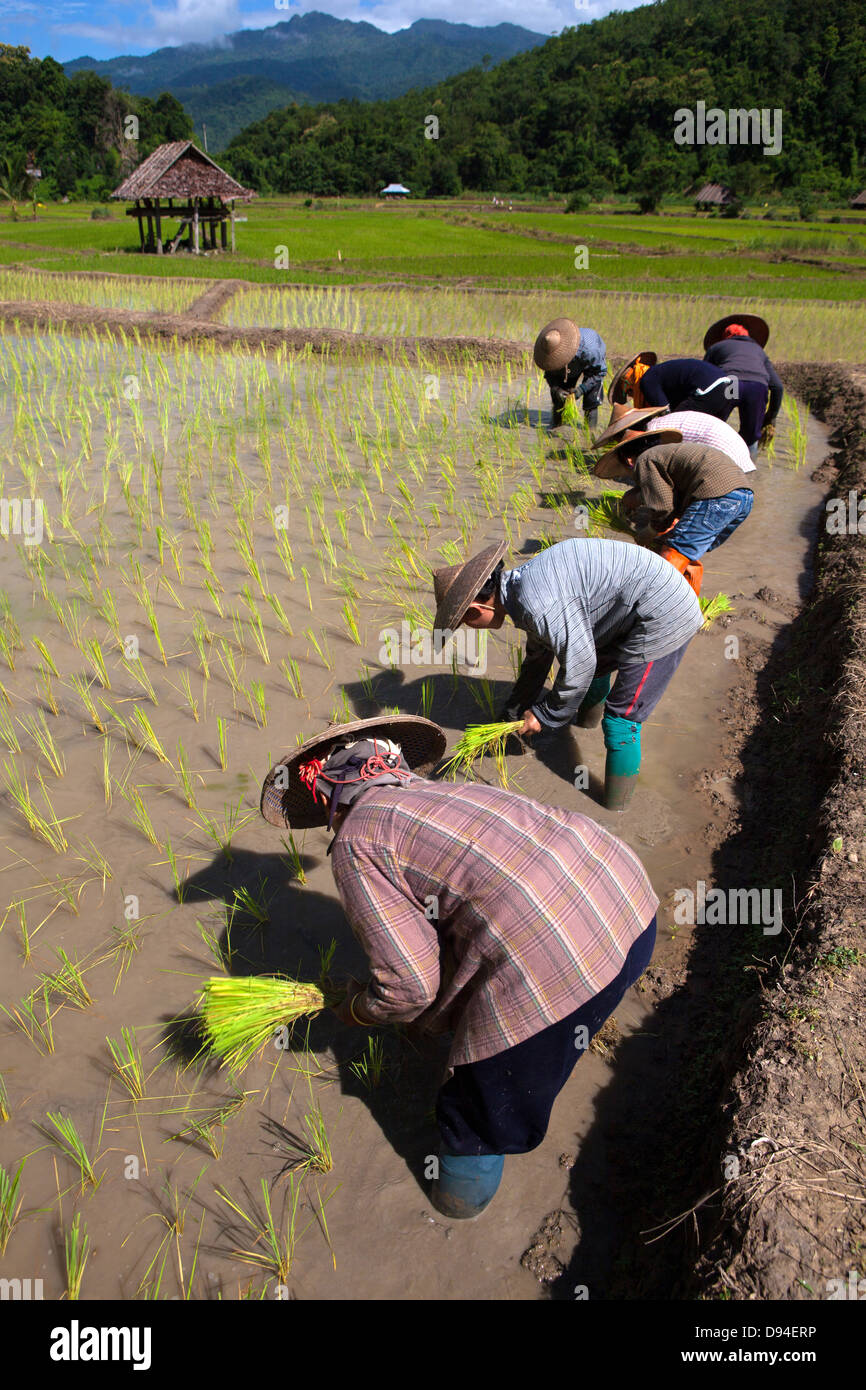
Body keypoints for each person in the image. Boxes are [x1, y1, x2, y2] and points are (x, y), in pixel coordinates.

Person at [261, 715, 659, 1220]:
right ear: (393, 766)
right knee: (558, 1020)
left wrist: (358, 1008)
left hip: (558, 962)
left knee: (474, 1112)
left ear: (330, 799)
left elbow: (408, 986)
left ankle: (455, 1209)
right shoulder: (450, 792)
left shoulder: (358, 839)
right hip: (631, 905)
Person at [431, 538, 702, 812]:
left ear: (476, 610)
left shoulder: (537, 605)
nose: (472, 628)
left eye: (464, 622)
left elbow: (579, 663)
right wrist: (511, 714)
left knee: (621, 721)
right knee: (595, 669)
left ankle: (616, 808)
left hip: (665, 612)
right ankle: (586, 724)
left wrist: (546, 715)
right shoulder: (521, 588)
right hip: (632, 605)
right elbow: (538, 659)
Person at [592, 431, 755, 596]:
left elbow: (662, 507)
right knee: (687, 552)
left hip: (716, 495)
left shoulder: (644, 460)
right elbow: (673, 501)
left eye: (623, 472)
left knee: (674, 552)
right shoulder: (667, 455)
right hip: (743, 497)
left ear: (628, 460)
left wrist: (649, 531)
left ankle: (653, 606)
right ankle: (688, 612)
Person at [702, 315, 783, 459]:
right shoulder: (759, 351)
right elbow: (777, 387)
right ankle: (748, 475)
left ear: (725, 337)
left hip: (731, 382)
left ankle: (709, 465)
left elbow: (706, 378)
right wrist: (771, 417)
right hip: (756, 387)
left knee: (714, 427)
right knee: (750, 437)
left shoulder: (717, 347)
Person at [592, 404, 756, 475]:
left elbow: (667, 472)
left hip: (723, 455)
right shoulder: (659, 425)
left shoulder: (654, 436)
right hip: (737, 452)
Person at [608, 350, 737, 423]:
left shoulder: (647, 380)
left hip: (707, 389)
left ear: (632, 384)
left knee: (674, 424)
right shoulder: (661, 375)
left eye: (630, 393)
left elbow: (664, 412)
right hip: (730, 386)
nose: (632, 396)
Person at [533, 317, 607, 430]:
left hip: (592, 364)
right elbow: (550, 374)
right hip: (572, 363)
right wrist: (556, 389)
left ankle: (590, 431)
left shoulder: (590, 350)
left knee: (591, 401)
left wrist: (581, 389)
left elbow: (599, 373)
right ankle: (556, 427)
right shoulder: (549, 349)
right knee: (559, 399)